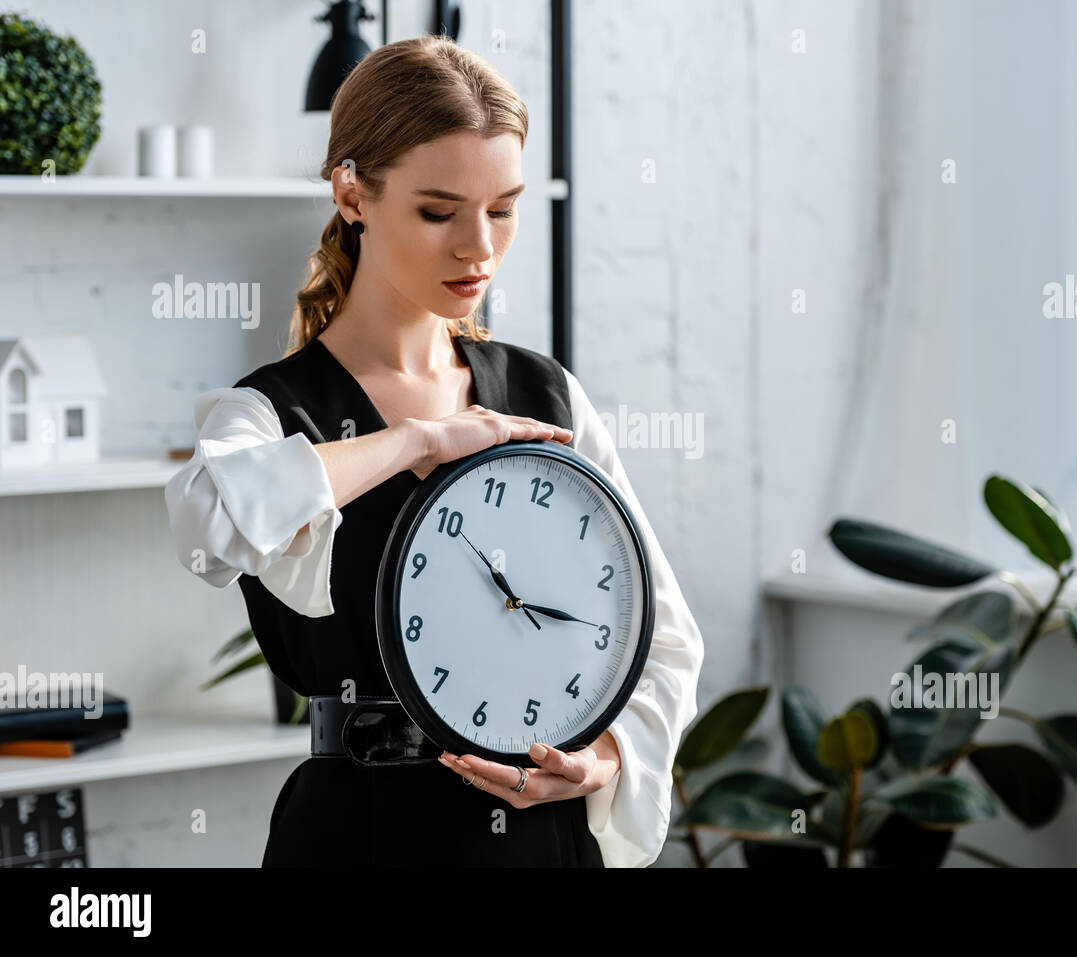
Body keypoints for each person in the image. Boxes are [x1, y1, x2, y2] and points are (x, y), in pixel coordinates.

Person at [163, 36, 704, 867]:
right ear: (351, 192)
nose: (478, 248)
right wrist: (415, 439)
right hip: (359, 840)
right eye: (438, 209)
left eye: (504, 207)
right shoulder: (269, 411)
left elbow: (661, 636)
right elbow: (209, 519)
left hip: (541, 840)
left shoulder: (548, 394)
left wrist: (603, 761)